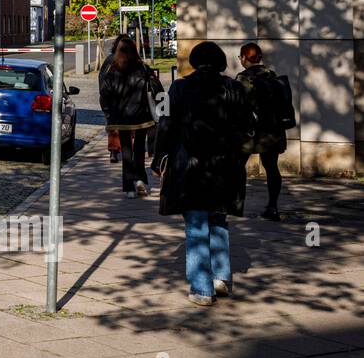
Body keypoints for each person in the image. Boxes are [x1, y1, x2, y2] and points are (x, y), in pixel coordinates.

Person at [151, 41, 255, 306]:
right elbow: (248, 127)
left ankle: (201, 288)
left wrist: (160, 157)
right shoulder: (233, 87)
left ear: (195, 61)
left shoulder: (181, 87)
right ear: (220, 61)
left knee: (196, 223)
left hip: (191, 165)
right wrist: (239, 156)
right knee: (219, 219)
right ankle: (221, 278)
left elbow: (166, 125)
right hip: (224, 165)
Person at [98, 34, 158, 197]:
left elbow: (104, 94)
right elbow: (155, 88)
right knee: (139, 148)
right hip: (141, 116)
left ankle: (128, 187)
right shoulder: (143, 68)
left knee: (126, 150)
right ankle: (139, 180)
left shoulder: (112, 70)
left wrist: (109, 114)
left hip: (122, 116)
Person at [236, 42, 289, 221]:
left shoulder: (242, 78)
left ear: (244, 58)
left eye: (240, 57)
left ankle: (238, 204)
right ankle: (272, 206)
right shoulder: (272, 76)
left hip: (249, 131)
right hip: (271, 130)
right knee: (271, 168)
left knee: (238, 166)